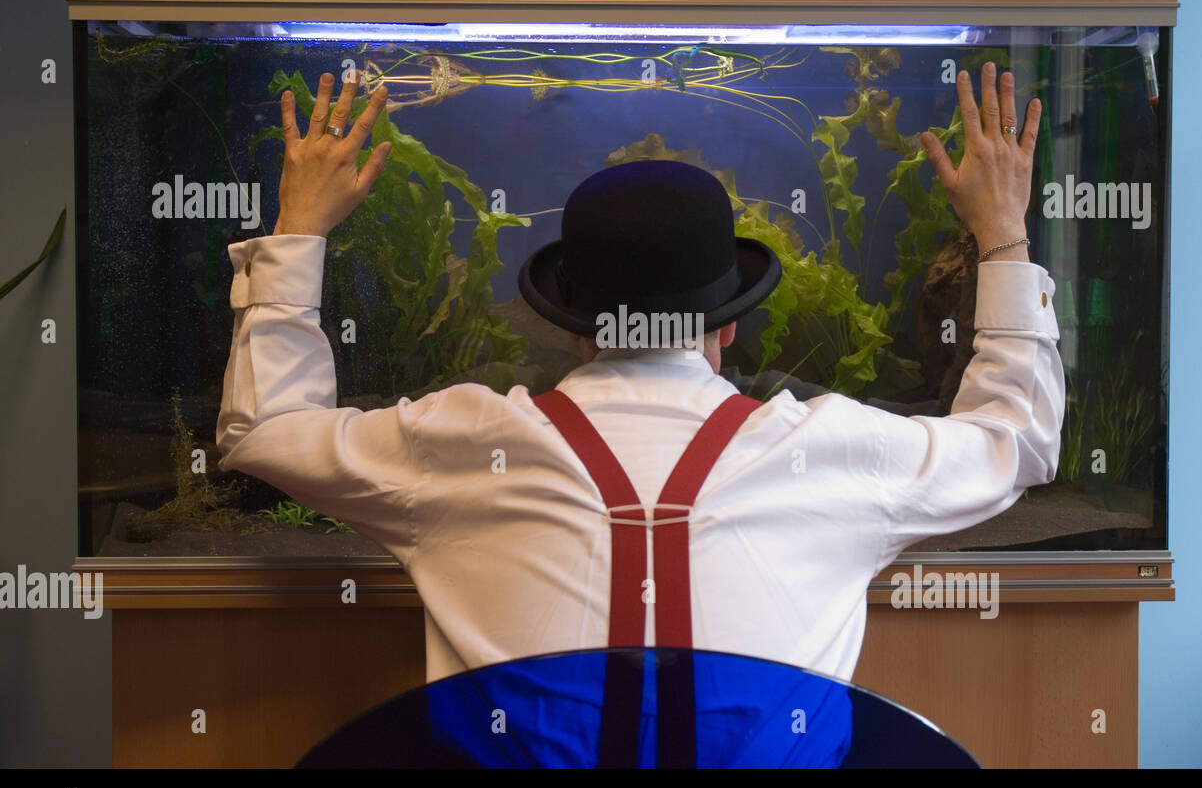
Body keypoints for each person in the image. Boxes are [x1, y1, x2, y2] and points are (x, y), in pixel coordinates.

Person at [217, 63, 1065, 685]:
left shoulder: (467, 443)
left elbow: (264, 431)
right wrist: (1002, 234)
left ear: (575, 330)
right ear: (728, 325)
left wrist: (299, 229)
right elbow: (1013, 440)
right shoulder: (829, 451)